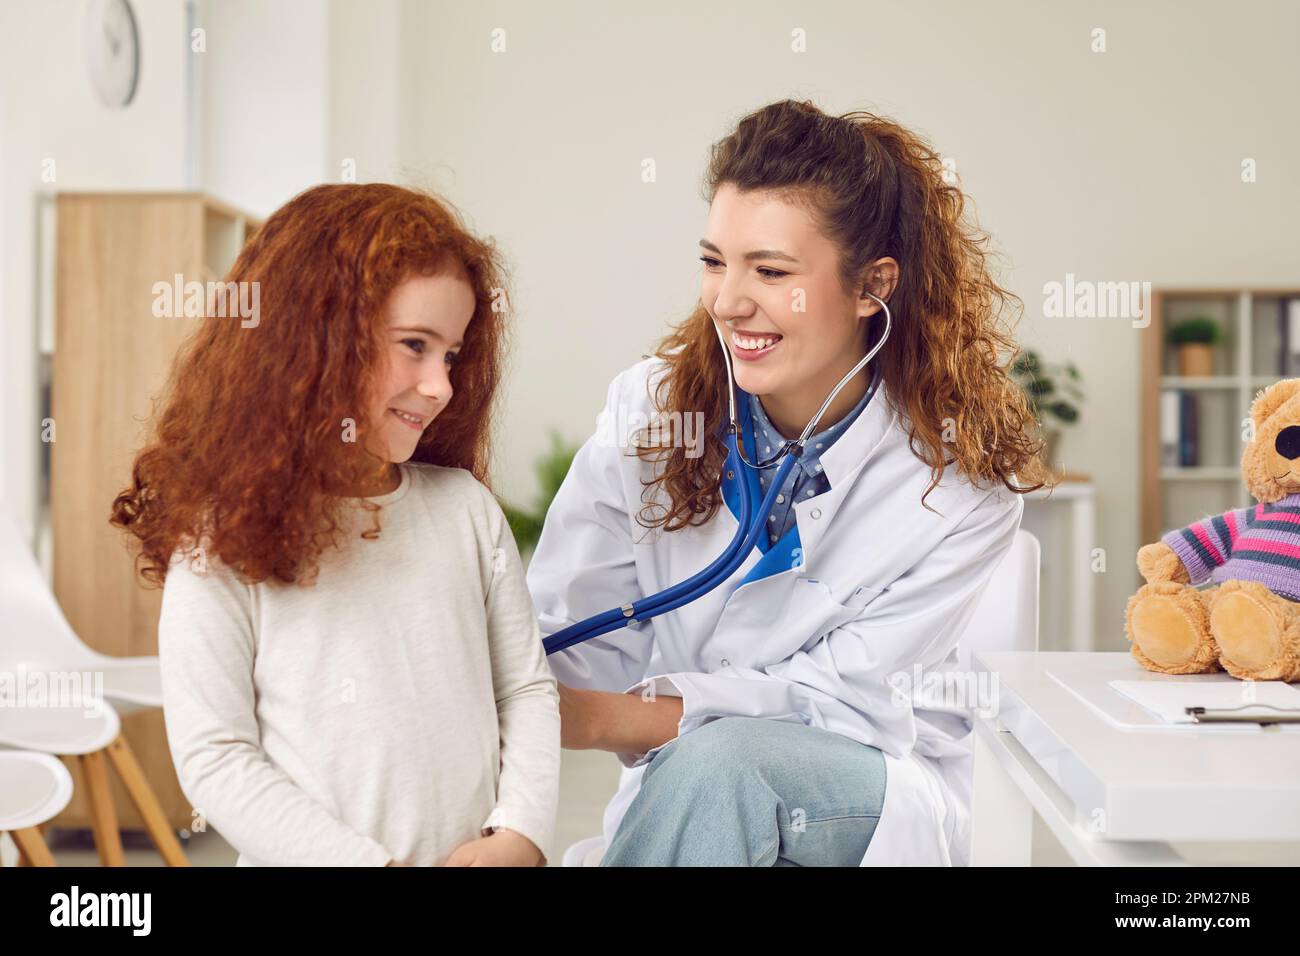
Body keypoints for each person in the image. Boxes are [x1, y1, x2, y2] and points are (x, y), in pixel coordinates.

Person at [526, 99, 1055, 866]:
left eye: (770, 271)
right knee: (710, 772)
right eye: (715, 262)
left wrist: (604, 721)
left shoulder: (959, 481)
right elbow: (571, 646)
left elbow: (840, 705)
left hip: (869, 791)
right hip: (693, 786)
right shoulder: (650, 413)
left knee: (726, 764)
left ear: (873, 285)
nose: (729, 301)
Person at [111, 183, 560, 867]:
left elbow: (525, 687)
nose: (440, 385)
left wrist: (519, 834)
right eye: (414, 345)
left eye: (451, 355)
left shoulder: (465, 510)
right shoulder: (219, 541)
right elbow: (216, 755)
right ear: (312, 340)